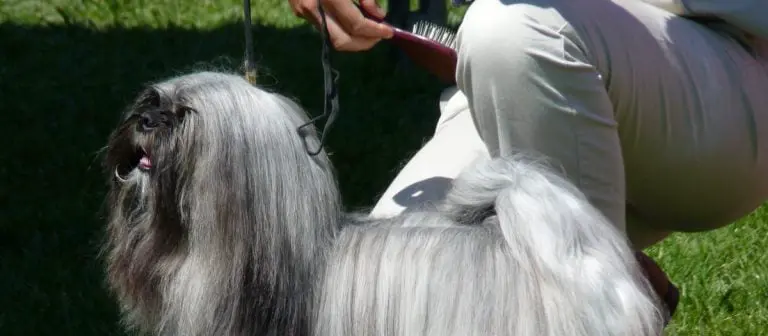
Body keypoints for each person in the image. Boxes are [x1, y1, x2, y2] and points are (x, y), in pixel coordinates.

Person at [289, 0, 768, 311]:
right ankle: (611, 280)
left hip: (733, 61)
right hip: (540, 66)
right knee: (387, 299)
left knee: (509, 35)